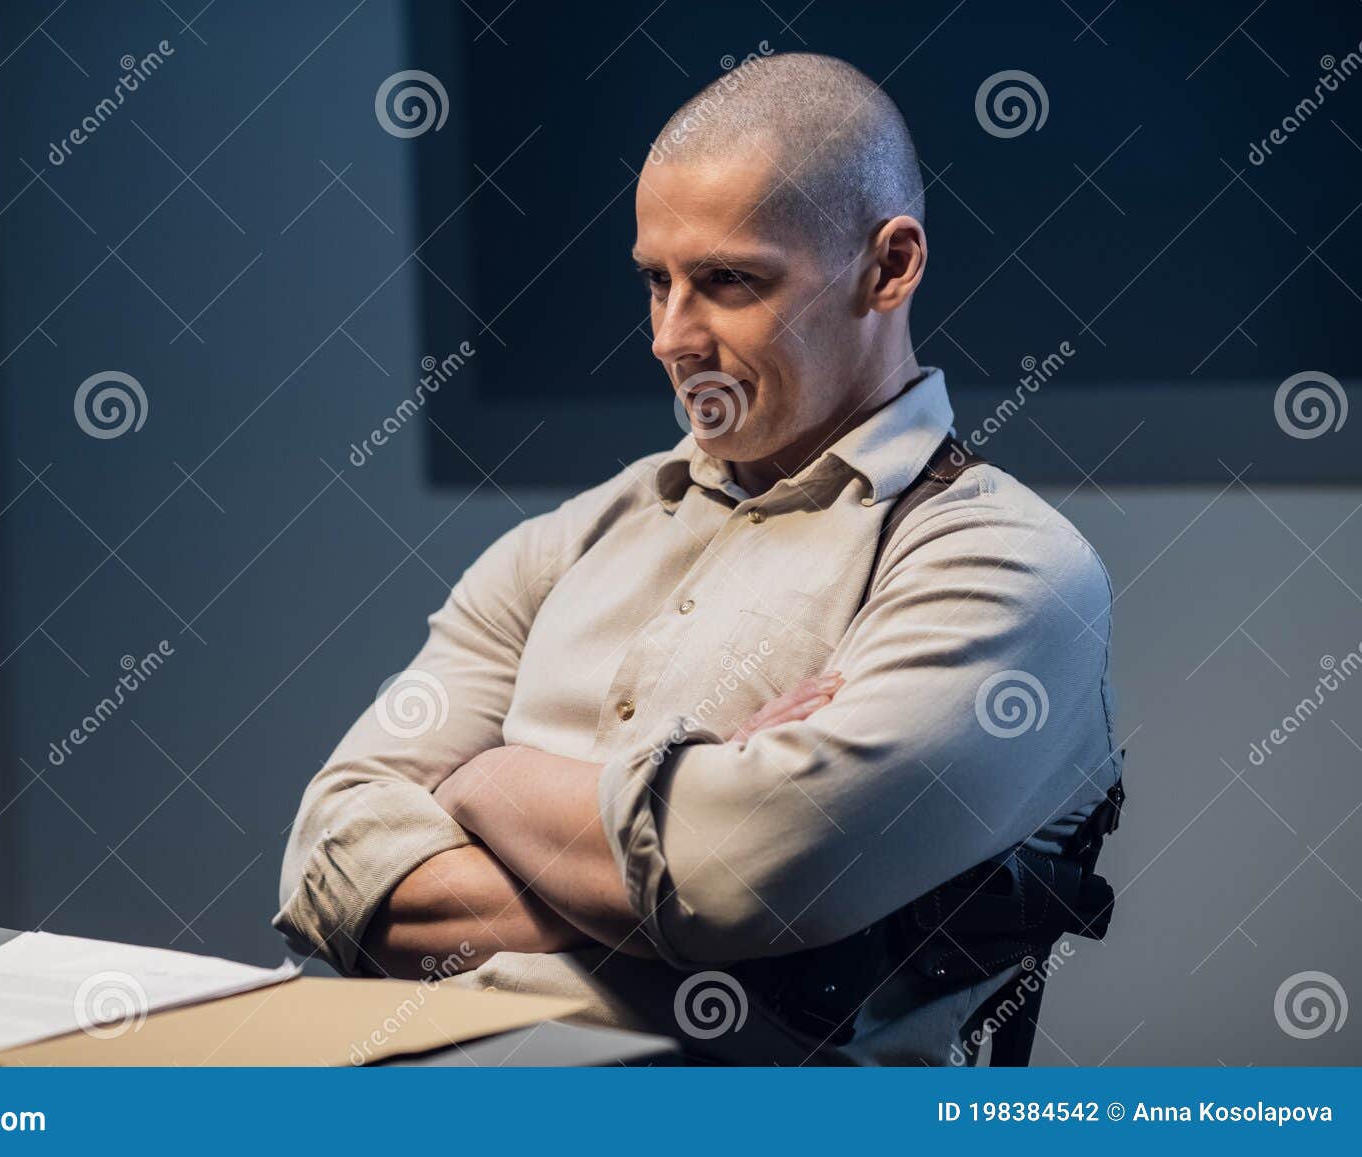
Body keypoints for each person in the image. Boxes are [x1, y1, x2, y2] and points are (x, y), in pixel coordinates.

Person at [273, 52, 1121, 1064]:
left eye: (728, 280)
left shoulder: (1004, 566)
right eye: (655, 281)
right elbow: (328, 859)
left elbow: (741, 877)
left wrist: (485, 780)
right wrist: (663, 852)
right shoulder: (569, 539)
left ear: (889, 267)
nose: (671, 337)